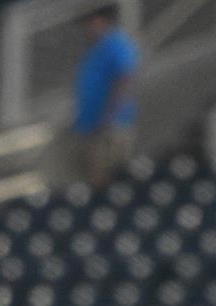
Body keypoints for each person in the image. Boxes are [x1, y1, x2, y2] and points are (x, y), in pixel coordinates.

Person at [72, 7, 138, 188]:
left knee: (110, 177)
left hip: (109, 126)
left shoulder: (116, 44)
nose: (87, 28)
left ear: (103, 21)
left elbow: (124, 78)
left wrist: (109, 116)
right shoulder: (95, 48)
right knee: (92, 176)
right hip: (91, 124)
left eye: (91, 22)